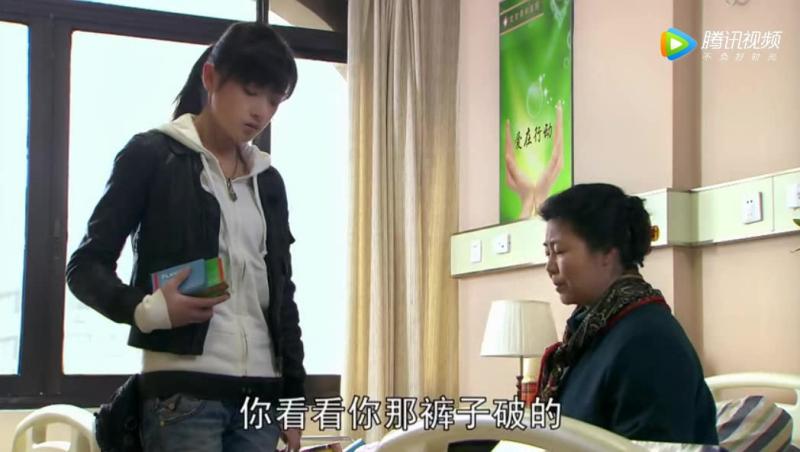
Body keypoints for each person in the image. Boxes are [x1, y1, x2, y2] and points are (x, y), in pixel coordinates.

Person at [66, 22, 304, 452]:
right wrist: (147, 311)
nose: (261, 112)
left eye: (274, 100)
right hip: (183, 396)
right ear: (211, 78)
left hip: (260, 401)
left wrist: (293, 400)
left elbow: (282, 296)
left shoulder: (268, 180)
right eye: (251, 91)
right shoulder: (152, 155)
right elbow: (85, 267)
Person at [536, 183, 718, 445]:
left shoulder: (649, 342)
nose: (550, 267)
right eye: (547, 253)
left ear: (608, 252)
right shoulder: (588, 333)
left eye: (560, 251)